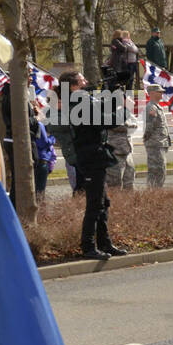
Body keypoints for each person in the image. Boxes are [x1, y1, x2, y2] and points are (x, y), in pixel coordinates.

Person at [65, 71, 126, 259]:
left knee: (103, 203)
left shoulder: (83, 100)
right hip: (91, 157)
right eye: (83, 79)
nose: (87, 81)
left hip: (95, 156)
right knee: (95, 204)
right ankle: (88, 246)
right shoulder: (79, 102)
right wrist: (120, 106)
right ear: (74, 86)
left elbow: (103, 110)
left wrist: (113, 94)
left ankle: (105, 243)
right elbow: (109, 121)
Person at [143, 83, 170, 188]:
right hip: (155, 144)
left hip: (160, 143)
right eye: (160, 92)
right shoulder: (151, 107)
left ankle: (156, 192)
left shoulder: (157, 107)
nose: (162, 94)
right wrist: (148, 139)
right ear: (152, 93)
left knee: (160, 169)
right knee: (156, 170)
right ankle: (152, 193)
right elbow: (149, 126)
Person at [105, 102, 135, 190]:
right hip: (115, 151)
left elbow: (134, 125)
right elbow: (119, 126)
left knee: (129, 181)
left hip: (127, 149)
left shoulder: (124, 111)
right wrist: (128, 126)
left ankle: (129, 202)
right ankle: (116, 203)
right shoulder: (108, 110)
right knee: (115, 183)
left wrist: (128, 125)